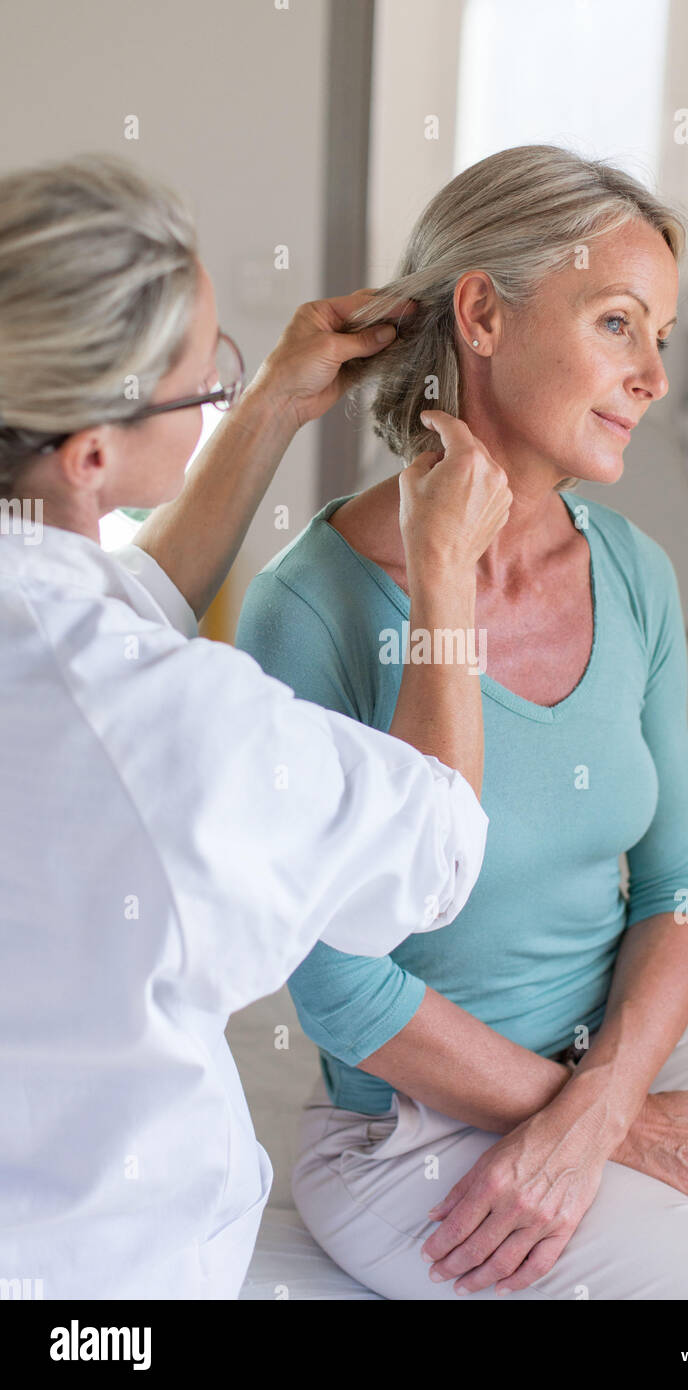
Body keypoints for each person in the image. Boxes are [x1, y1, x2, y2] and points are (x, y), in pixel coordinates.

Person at [236, 144, 688, 1301]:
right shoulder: (307, 607)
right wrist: (600, 1126)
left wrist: (609, 1102)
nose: (653, 379)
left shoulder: (633, 574)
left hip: (631, 1062)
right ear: (481, 312)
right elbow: (340, 988)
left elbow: (679, 884)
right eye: (618, 324)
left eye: (661, 339)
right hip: (418, 1131)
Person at [0, 152, 512, 1299]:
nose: (222, 392)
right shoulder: (176, 720)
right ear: (92, 455)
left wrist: (278, 395)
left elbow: (97, 602)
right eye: (205, 382)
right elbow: (437, 852)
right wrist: (445, 571)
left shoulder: (62, 619)